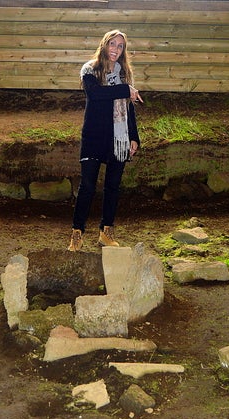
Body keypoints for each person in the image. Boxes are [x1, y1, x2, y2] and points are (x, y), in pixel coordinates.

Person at [68, 30, 143, 252]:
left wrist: (133, 137)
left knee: (112, 187)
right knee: (87, 186)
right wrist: (126, 89)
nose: (115, 49)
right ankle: (77, 233)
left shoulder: (124, 75)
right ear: (104, 45)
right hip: (94, 136)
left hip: (118, 138)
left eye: (120, 46)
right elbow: (96, 94)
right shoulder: (90, 70)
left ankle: (106, 232)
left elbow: (129, 108)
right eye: (112, 44)